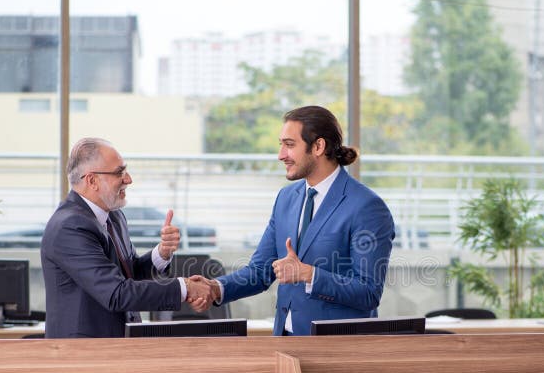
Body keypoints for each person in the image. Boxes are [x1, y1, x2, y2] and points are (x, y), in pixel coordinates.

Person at [195, 105, 395, 335]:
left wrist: (308, 274)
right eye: (281, 145)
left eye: (289, 145)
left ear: (318, 146)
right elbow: (261, 270)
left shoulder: (366, 206)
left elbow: (368, 291)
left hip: (336, 349)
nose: (281, 155)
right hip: (285, 339)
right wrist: (216, 288)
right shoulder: (286, 198)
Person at [41, 137, 210, 338]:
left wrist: (161, 254)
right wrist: (185, 288)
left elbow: (129, 274)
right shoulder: (69, 227)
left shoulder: (114, 216)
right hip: (84, 354)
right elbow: (117, 293)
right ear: (92, 180)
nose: (128, 179)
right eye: (119, 172)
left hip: (119, 347)